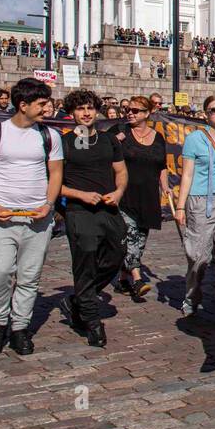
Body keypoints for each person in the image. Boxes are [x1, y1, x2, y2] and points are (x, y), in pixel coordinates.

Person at [0, 78, 64, 356]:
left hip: (37, 217)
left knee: (29, 276)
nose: (48, 108)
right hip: (0, 216)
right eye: (42, 103)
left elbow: (55, 173)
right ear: (23, 105)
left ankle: (20, 326)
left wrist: (48, 204)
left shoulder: (50, 136)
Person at [58, 89, 127, 347]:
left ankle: (78, 299)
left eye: (89, 108)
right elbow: (53, 183)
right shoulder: (63, 143)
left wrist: (119, 192)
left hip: (109, 209)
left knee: (117, 256)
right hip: (79, 210)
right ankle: (91, 321)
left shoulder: (109, 140)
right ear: (72, 113)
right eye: (80, 109)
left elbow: (120, 171)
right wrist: (81, 195)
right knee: (85, 262)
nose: (86, 113)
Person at [175, 96, 215, 320]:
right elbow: (187, 174)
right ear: (206, 114)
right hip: (200, 201)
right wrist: (180, 207)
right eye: (213, 110)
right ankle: (191, 297)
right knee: (198, 257)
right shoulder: (195, 138)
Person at [114, 96, 168, 299]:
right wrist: (113, 141)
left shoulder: (158, 137)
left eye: (136, 110)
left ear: (147, 113)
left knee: (141, 239)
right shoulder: (120, 132)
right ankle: (137, 279)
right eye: (128, 109)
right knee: (130, 235)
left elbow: (161, 164)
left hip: (148, 194)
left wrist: (165, 186)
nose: (130, 113)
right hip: (124, 193)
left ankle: (122, 279)